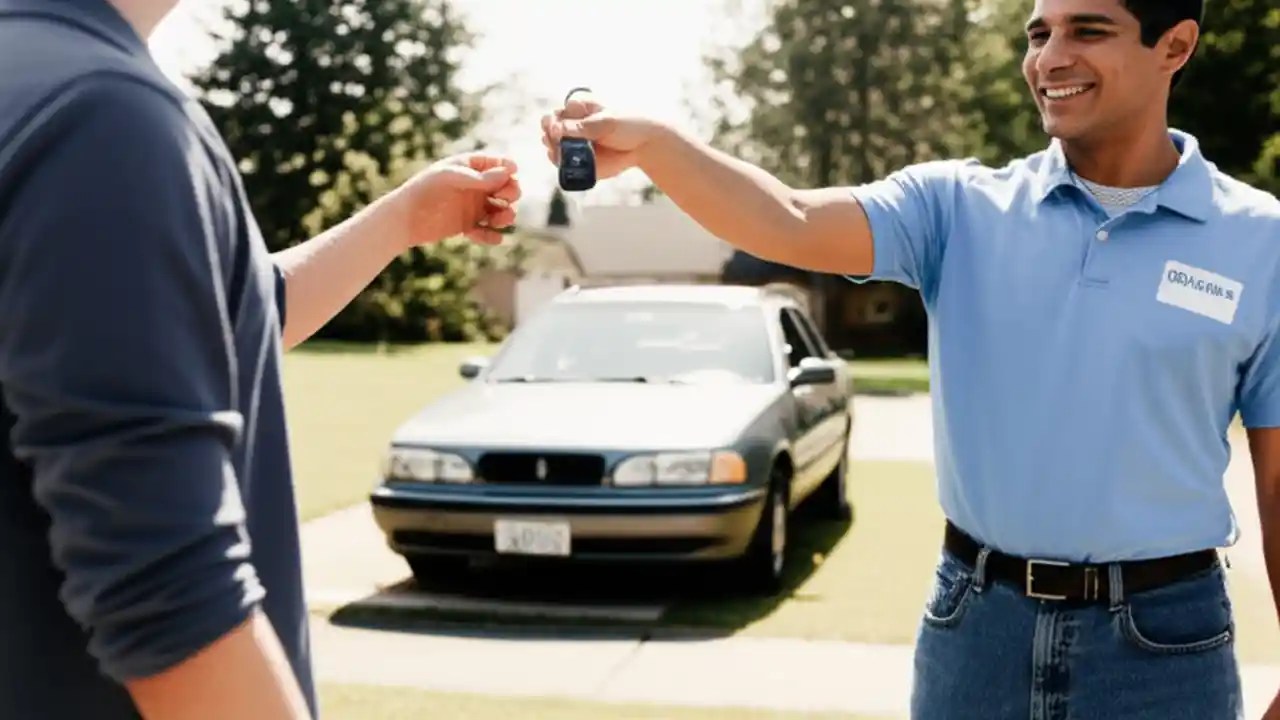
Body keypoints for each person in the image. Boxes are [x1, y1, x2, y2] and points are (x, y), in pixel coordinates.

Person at [541, 0, 1280, 717]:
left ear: (1174, 47)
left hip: (1164, 643)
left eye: (1088, 30)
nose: (1051, 58)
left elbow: (1278, 477)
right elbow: (790, 220)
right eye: (1039, 33)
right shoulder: (954, 208)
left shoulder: (1261, 242)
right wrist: (657, 146)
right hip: (977, 626)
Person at [0, 0, 520, 717]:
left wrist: (401, 221)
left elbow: (241, 314)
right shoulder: (101, 117)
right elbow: (170, 602)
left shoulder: (31, 82)